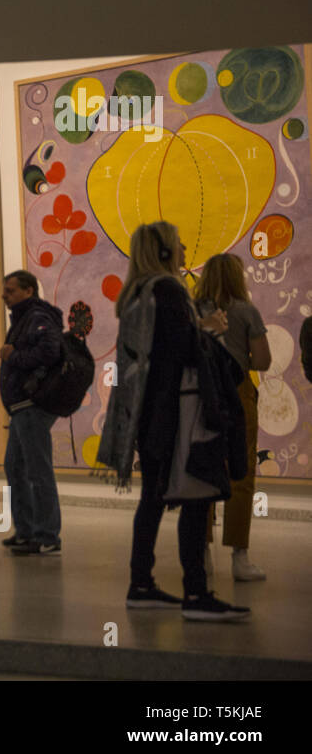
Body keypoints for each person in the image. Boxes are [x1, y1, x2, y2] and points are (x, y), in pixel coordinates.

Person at [98, 221, 250, 621]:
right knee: (195, 497)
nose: (184, 248)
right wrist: (210, 329)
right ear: (164, 252)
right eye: (178, 243)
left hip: (150, 413)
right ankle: (196, 595)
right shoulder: (166, 291)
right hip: (177, 412)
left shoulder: (136, 293)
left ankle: (141, 583)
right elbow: (181, 349)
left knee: (153, 497)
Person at [195, 253, 272, 582]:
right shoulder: (246, 310)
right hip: (238, 392)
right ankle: (239, 557)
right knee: (241, 474)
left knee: (204, 473)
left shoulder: (195, 311)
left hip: (200, 395)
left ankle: (202, 553)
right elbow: (264, 361)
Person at [0, 270, 64, 556]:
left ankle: (47, 534)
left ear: (28, 291)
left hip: (32, 405)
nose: (4, 295)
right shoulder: (24, 319)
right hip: (20, 408)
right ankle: (25, 530)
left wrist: (14, 356)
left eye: (10, 290)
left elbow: (51, 352)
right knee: (15, 466)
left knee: (37, 470)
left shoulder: (38, 318)